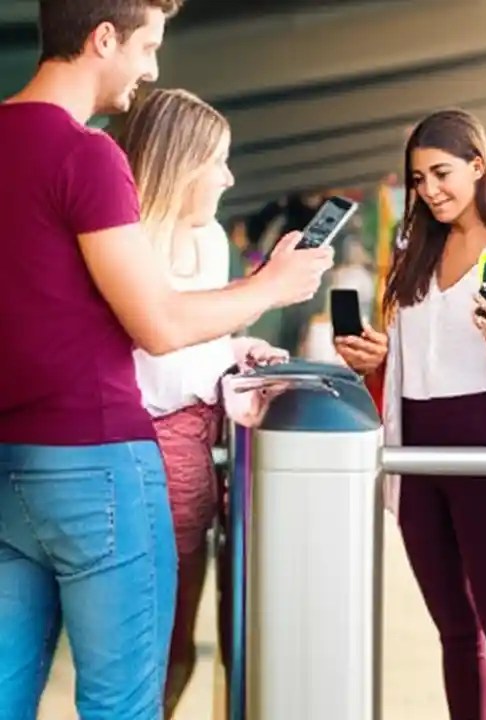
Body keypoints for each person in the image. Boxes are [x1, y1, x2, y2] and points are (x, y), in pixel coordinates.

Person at [0, 3, 331, 717]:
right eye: (147, 46)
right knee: (123, 704)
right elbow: (155, 322)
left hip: (7, 463)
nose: (151, 69)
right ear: (104, 38)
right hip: (98, 464)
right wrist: (269, 286)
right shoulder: (88, 156)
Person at [333, 109, 486, 720]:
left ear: (479, 166)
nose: (429, 190)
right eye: (417, 178)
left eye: (441, 173)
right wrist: (375, 359)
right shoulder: (413, 253)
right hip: (414, 456)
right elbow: (408, 370)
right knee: (454, 629)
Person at [116, 87, 291, 716]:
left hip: (196, 451)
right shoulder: (120, 241)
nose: (228, 175)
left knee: (180, 640)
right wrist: (263, 293)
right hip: (133, 454)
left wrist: (234, 351)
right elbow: (155, 349)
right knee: (136, 641)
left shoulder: (212, 238)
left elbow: (195, 340)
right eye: (217, 160)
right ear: (182, 164)